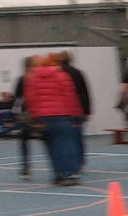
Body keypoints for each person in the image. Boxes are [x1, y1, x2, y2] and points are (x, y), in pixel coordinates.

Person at [24, 54, 83, 186]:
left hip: (43, 117)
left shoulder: (32, 77)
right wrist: (75, 115)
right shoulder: (62, 75)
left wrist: (34, 117)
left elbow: (31, 99)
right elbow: (70, 96)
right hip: (62, 114)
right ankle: (69, 174)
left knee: (51, 147)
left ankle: (59, 174)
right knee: (65, 144)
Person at [59, 51, 91, 174]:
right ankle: (80, 162)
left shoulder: (57, 73)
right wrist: (88, 111)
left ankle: (68, 162)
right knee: (78, 137)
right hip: (79, 108)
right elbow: (85, 91)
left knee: (65, 138)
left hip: (63, 109)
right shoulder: (77, 73)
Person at [11, 57, 37, 179]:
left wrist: (16, 114)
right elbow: (17, 99)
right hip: (33, 114)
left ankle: (26, 168)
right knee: (25, 140)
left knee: (24, 141)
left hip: (28, 114)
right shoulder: (30, 79)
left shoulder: (22, 79)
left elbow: (16, 99)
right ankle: (26, 167)